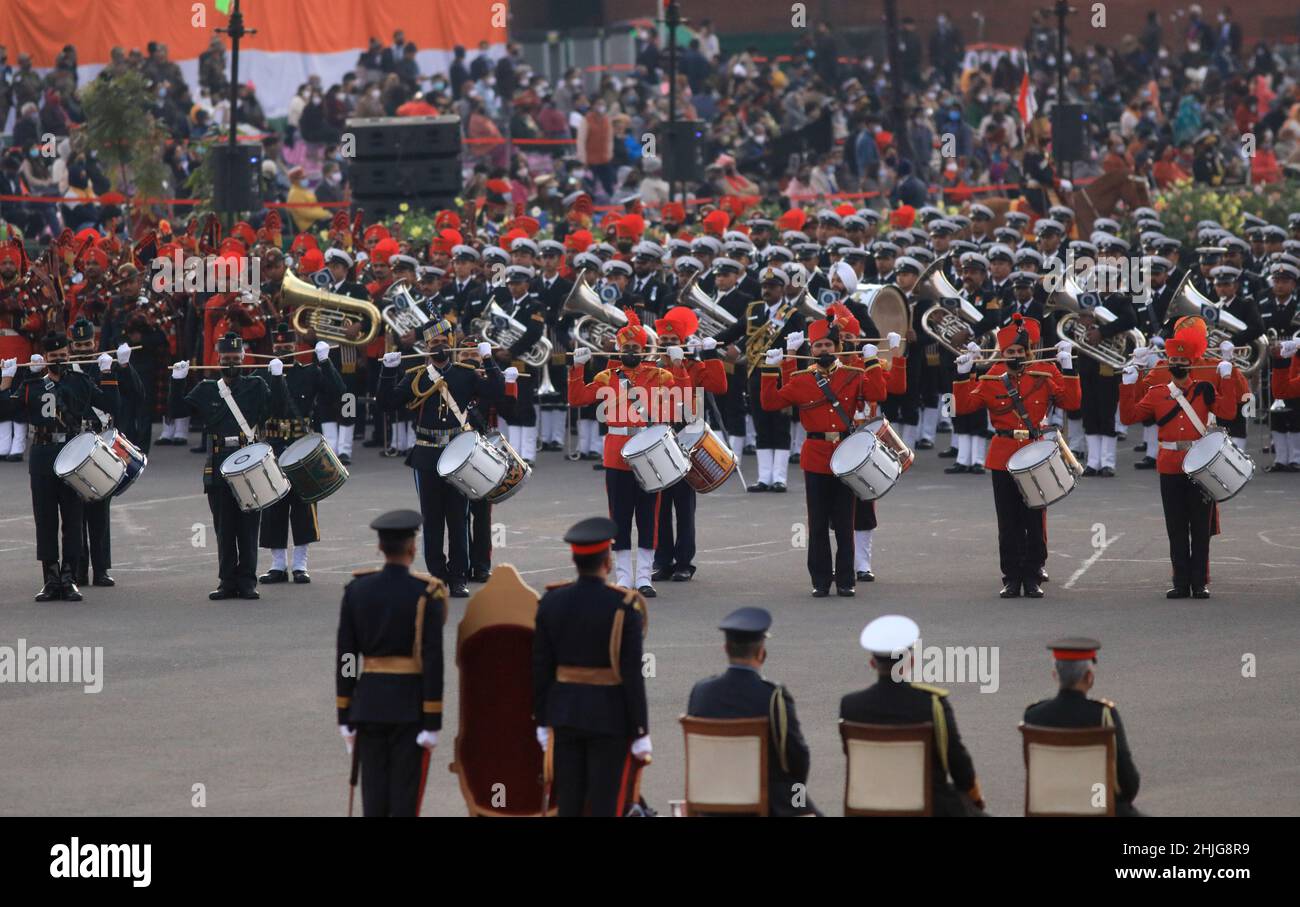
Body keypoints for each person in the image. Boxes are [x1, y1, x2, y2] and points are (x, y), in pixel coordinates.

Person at [759, 312, 888, 596]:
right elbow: (770, 403)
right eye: (818, 346)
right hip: (816, 455)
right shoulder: (802, 379)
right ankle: (820, 580)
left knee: (844, 521)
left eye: (828, 345)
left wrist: (871, 362)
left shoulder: (853, 375)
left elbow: (879, 391)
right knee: (817, 523)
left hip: (845, 454)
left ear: (837, 348)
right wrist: (770, 369)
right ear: (812, 350)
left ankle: (845, 580)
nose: (824, 350)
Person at [377, 319, 506, 598]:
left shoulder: (465, 374)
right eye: (434, 343)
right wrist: (387, 372)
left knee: (458, 519)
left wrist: (488, 359)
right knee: (432, 520)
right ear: (426, 347)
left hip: (457, 455)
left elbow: (497, 392)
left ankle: (459, 576)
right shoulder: (416, 376)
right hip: (426, 454)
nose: (439, 347)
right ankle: (437, 575)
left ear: (451, 344)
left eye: (443, 342)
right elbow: (386, 404)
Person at [952, 315, 1079, 597]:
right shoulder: (990, 377)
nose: (1016, 356)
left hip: (1034, 452)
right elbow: (959, 408)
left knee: (1033, 519)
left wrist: (1069, 368)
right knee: (1007, 522)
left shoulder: (1044, 373)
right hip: (1003, 455)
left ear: (1028, 352)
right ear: (1003, 353)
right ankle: (1011, 577)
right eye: (1010, 352)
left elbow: (1072, 402)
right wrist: (962, 376)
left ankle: (1033, 575)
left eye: (1020, 352)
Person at [532, 516, 650, 817]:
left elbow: (541, 668)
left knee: (568, 803)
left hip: (564, 714)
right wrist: (640, 730)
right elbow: (631, 675)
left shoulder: (551, 602)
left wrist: (543, 720)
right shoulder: (624, 606)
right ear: (608, 562)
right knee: (604, 804)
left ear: (574, 559)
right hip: (609, 717)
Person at [336, 509, 446, 817]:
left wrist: (345, 711)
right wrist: (433, 719)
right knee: (404, 799)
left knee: (373, 796)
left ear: (380, 548)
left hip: (368, 704)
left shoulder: (357, 591)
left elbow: (347, 657)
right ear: (413, 548)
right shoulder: (426, 593)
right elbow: (432, 659)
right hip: (409, 706)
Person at [1119, 324, 1239, 598]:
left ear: (1192, 363)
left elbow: (1229, 412)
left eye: (1183, 361)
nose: (1178, 364)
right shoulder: (1158, 393)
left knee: (1199, 527)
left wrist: (1228, 376)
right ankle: (1181, 581)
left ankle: (1200, 582)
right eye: (1174, 361)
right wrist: (1128, 385)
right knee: (1175, 527)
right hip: (1170, 465)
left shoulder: (1204, 390)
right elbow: (1129, 417)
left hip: (1199, 466)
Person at [568, 311, 679, 596]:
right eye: (626, 347)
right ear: (618, 349)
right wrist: (577, 368)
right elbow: (577, 398)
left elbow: (682, 403)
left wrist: (679, 366)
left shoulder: (659, 375)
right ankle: (623, 577)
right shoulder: (607, 376)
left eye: (636, 348)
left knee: (648, 517)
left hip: (649, 454)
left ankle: (644, 577)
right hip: (617, 455)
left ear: (644, 350)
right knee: (619, 517)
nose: (630, 352)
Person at [170, 332, 283, 600]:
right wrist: (177, 381)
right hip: (219, 463)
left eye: (235, 358)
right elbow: (177, 412)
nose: (231, 363)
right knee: (224, 527)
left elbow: (278, 408)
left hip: (249, 461)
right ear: (218, 359)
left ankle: (247, 581)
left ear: (243, 358)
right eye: (226, 358)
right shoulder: (207, 389)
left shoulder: (255, 385)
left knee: (248, 526)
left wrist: (278, 379)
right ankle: (226, 581)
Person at [840, 615, 987, 816]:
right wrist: (974, 797)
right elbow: (958, 763)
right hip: (928, 805)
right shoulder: (932, 704)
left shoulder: (850, 706)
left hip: (871, 803)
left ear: (873, 663)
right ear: (911, 662)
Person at [686, 607, 818, 817]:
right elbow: (796, 756)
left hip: (710, 801)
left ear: (726, 648)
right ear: (761, 653)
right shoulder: (773, 696)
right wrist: (794, 791)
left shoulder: (701, 691)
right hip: (765, 802)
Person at [0, 333, 97, 601]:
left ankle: (69, 576)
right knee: (45, 520)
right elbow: (4, 410)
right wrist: (7, 380)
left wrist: (112, 371)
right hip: (43, 455)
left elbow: (109, 404)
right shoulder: (32, 385)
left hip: (71, 453)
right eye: (55, 358)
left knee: (73, 519)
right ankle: (50, 577)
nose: (60, 361)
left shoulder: (78, 383)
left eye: (63, 356)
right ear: (45, 359)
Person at [258, 325, 345, 585]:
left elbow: (340, 393)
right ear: (273, 348)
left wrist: (326, 362)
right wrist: (274, 378)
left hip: (301, 444)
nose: (283, 351)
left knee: (304, 504)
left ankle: (300, 564)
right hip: (273, 444)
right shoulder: (260, 376)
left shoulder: (308, 373)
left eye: (288, 347)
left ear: (296, 347)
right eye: (279, 348)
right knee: (274, 505)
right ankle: (277, 565)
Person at [1024, 637, 1143, 816]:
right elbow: (1127, 782)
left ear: (1055, 675)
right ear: (1089, 677)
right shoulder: (1103, 715)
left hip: (1050, 808)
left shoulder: (1033, 715)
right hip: (1098, 808)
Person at [651, 306, 727, 583]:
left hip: (685, 440)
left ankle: (684, 561)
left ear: (682, 343)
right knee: (659, 506)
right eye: (664, 342)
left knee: (684, 506)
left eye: (673, 342)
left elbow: (719, 386)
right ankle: (662, 560)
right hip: (657, 440)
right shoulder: (650, 368)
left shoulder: (694, 367)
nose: (668, 345)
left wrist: (709, 354)